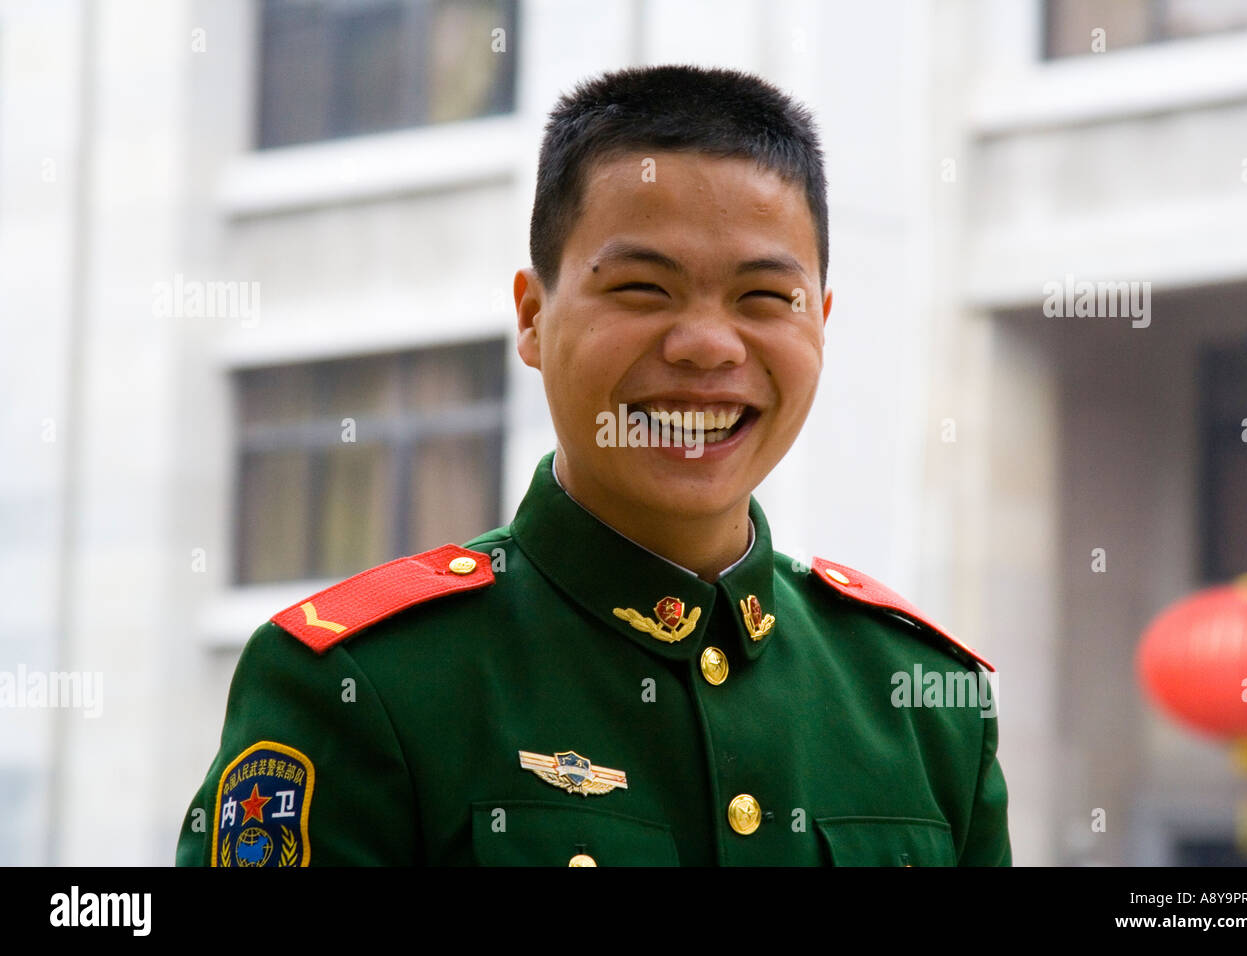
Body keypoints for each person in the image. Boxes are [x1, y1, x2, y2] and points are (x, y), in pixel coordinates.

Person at [176, 63, 1012, 867]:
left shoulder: (922, 702)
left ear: (821, 323)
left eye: (763, 298)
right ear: (533, 317)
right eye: (644, 289)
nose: (708, 346)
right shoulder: (366, 685)